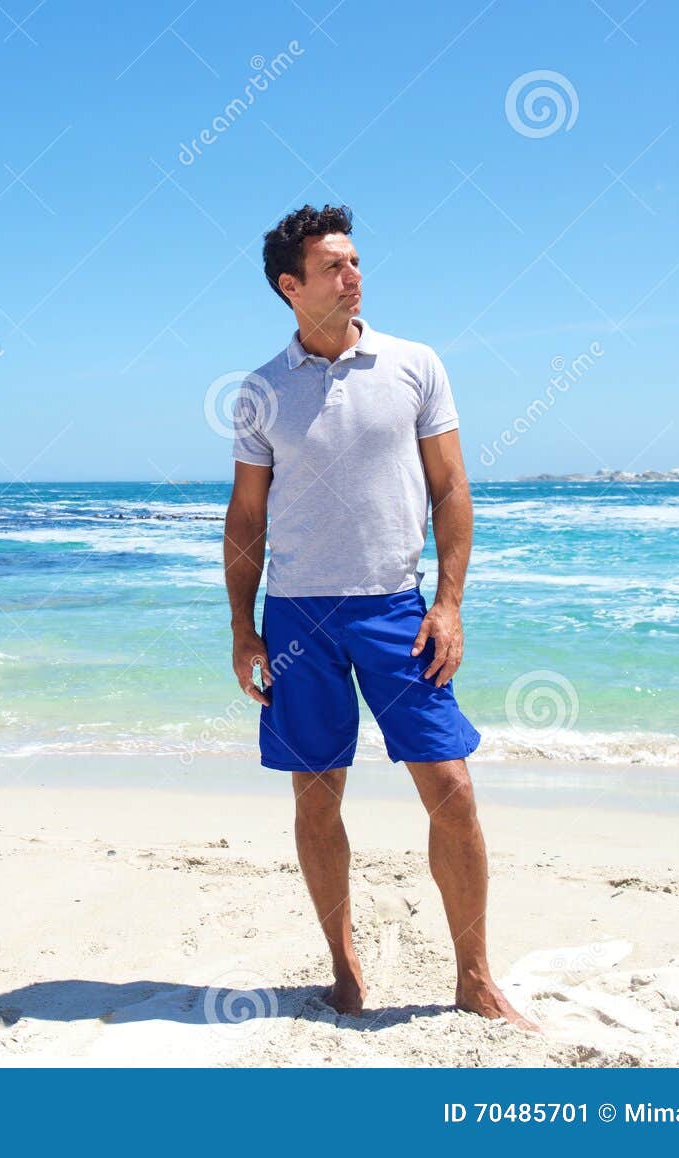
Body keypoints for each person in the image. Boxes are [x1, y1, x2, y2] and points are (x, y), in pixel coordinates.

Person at [222, 204, 537, 1030]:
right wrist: (242, 625)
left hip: (397, 610)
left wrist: (450, 603)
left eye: (355, 261)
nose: (352, 274)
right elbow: (245, 518)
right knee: (316, 799)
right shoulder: (261, 391)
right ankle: (345, 970)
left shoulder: (414, 364)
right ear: (291, 287)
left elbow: (451, 489)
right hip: (296, 619)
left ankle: (474, 975)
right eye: (332, 266)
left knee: (452, 789)